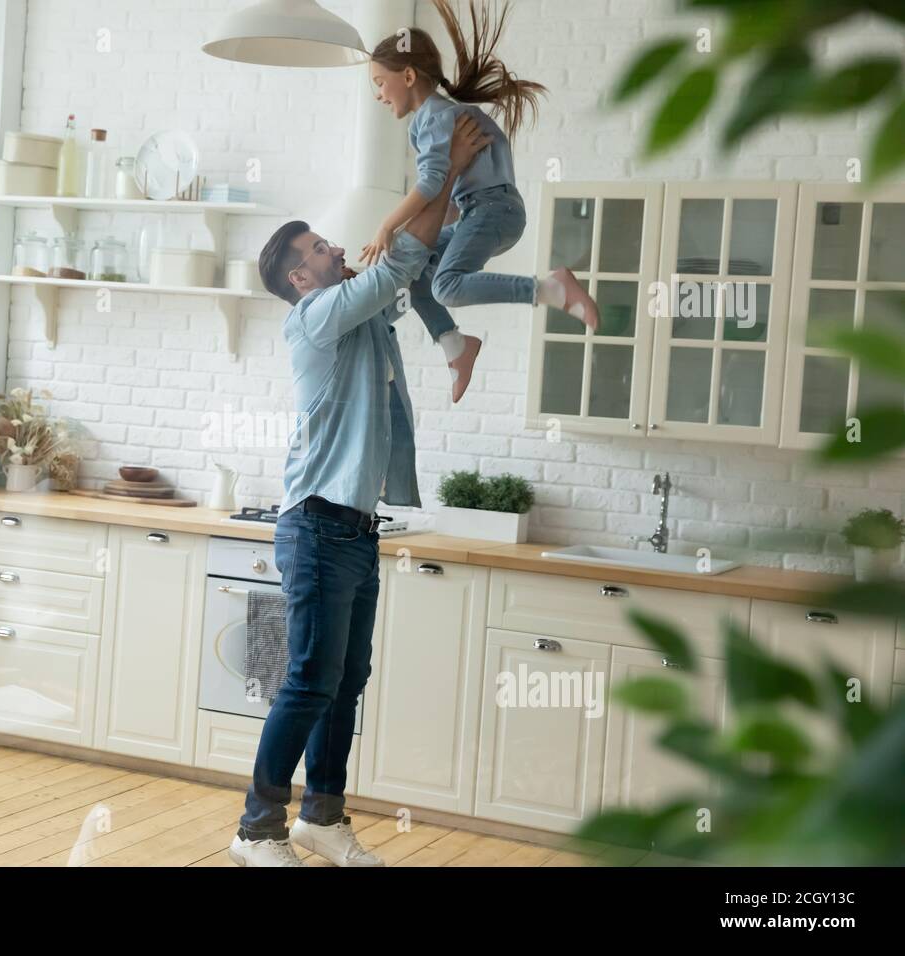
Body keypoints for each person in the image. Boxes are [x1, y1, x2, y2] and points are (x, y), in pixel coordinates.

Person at [228, 113, 489, 867]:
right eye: (319, 249)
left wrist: (454, 182)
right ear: (300, 279)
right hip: (314, 527)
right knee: (310, 679)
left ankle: (322, 818)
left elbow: (418, 256)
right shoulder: (315, 318)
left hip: (353, 528)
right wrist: (441, 167)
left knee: (345, 681)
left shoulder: (362, 320)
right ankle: (255, 829)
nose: (336, 247)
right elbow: (399, 260)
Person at [362, 0, 600, 403]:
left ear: (407, 75)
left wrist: (388, 226)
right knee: (420, 278)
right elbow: (446, 196)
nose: (379, 96)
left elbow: (433, 182)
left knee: (448, 287)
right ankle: (456, 347)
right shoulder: (436, 117)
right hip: (483, 211)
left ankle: (551, 289)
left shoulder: (433, 117)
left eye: (380, 83)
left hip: (493, 210)